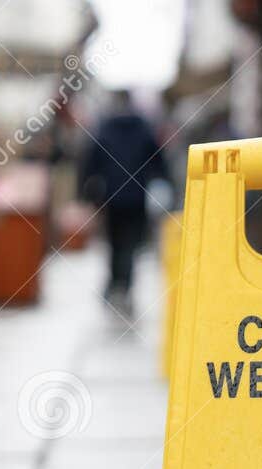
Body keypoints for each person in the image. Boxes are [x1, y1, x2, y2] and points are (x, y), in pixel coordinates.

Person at [82, 90, 166, 311]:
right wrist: (162, 182)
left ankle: (115, 285)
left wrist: (86, 192)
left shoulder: (106, 128)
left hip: (112, 198)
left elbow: (91, 161)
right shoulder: (144, 128)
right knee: (131, 244)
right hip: (137, 198)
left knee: (114, 243)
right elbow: (158, 161)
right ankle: (125, 286)